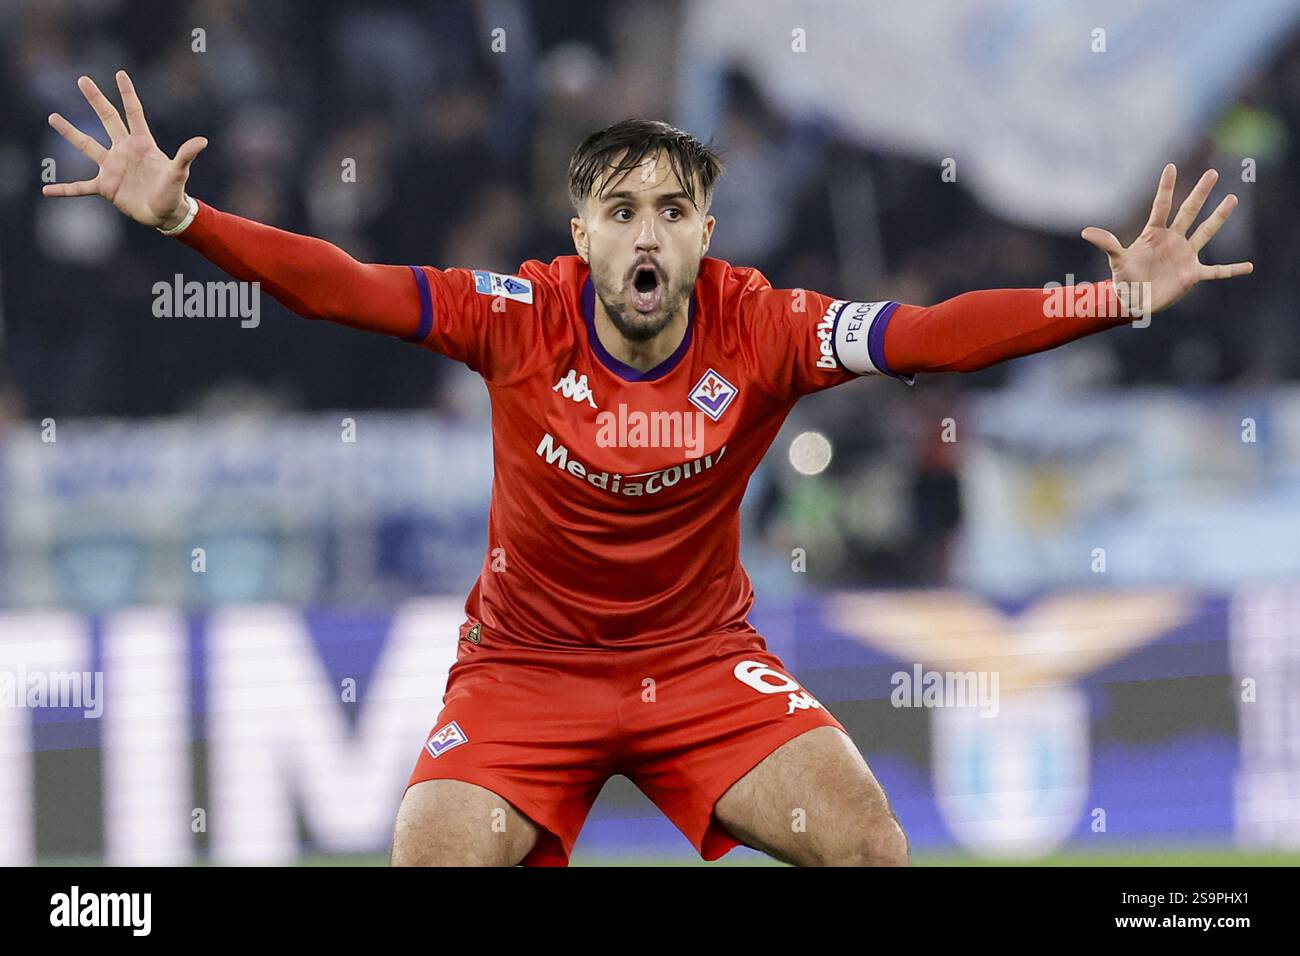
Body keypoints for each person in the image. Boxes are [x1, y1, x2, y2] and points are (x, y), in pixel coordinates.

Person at [45, 71, 1253, 866]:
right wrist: (185, 222)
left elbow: (930, 335)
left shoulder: (765, 325)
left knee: (873, 848)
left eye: (672, 210)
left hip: (699, 667)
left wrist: (1109, 296)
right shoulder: (515, 311)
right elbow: (343, 287)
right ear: (580, 236)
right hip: (523, 672)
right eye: (618, 210)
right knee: (431, 853)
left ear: (704, 233)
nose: (645, 232)